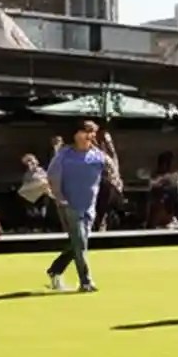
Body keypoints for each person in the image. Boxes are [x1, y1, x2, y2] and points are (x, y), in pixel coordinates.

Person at [45, 120, 108, 292]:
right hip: (69, 205)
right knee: (80, 244)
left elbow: (111, 170)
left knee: (77, 243)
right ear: (76, 134)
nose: (90, 135)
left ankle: (55, 270)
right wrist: (60, 198)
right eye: (86, 131)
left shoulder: (98, 155)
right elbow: (52, 177)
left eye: (92, 132)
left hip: (89, 207)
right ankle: (86, 281)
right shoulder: (64, 155)